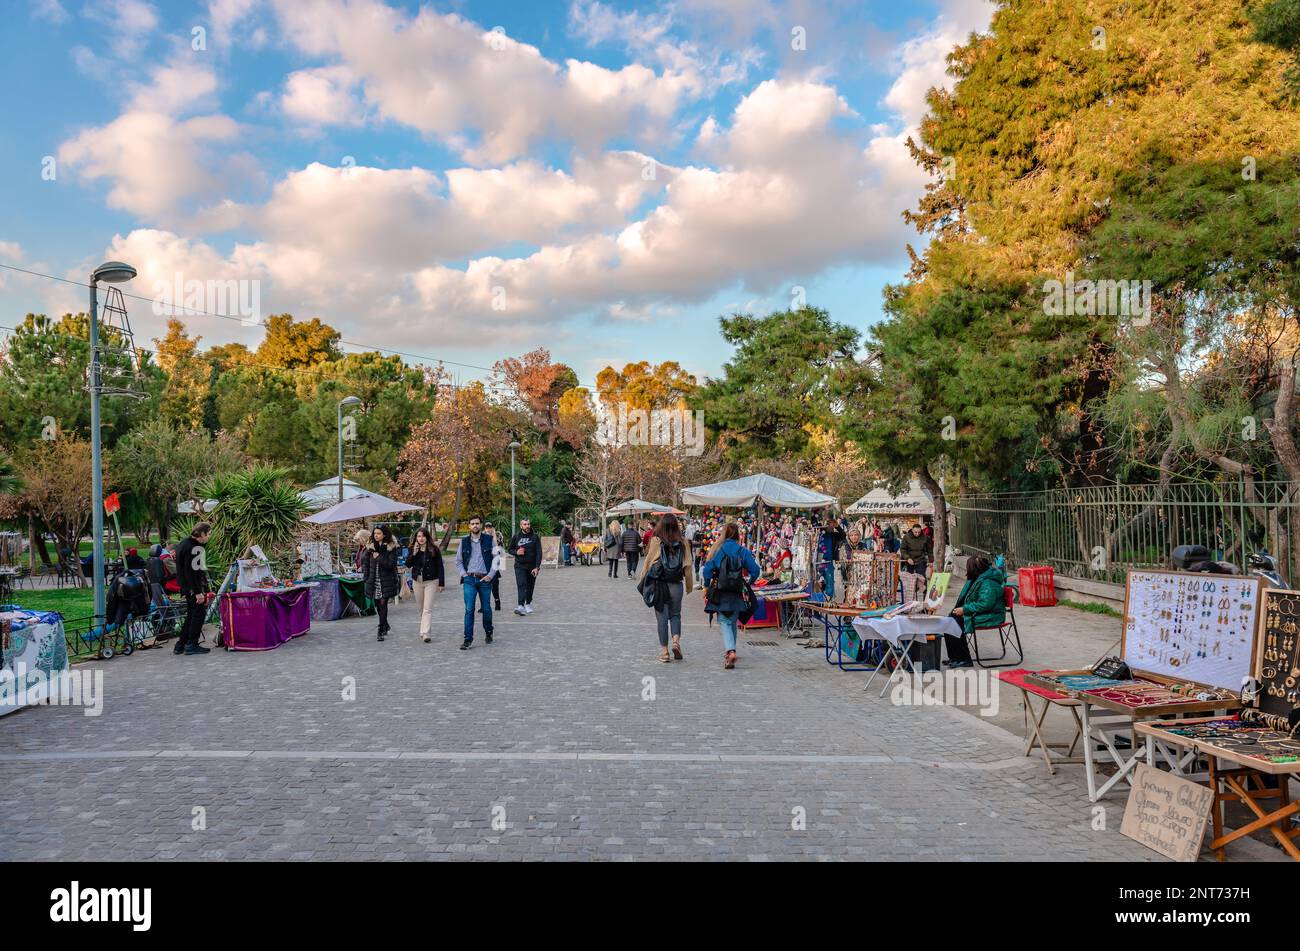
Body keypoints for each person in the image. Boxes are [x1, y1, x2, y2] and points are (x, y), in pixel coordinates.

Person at [700, 523, 761, 670]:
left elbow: (707, 570)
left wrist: (707, 585)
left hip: (721, 590)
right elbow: (755, 570)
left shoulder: (719, 550)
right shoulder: (742, 551)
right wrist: (749, 582)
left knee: (725, 620)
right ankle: (731, 650)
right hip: (737, 590)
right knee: (732, 619)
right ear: (737, 535)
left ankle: (730, 651)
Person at [638, 514, 695, 663]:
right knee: (675, 614)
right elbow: (688, 566)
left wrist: (643, 580)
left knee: (662, 618)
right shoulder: (683, 542)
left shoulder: (656, 541)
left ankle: (664, 652)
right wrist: (689, 586)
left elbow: (648, 562)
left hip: (660, 584)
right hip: (676, 584)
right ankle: (675, 641)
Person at [944, 555, 1006, 668]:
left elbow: (985, 604)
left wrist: (965, 609)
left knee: (956, 622)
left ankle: (964, 659)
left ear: (974, 569)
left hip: (992, 615)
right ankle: (955, 657)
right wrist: (960, 610)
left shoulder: (988, 582)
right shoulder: (978, 579)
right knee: (949, 620)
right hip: (981, 612)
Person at [456, 515, 496, 649]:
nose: (475, 526)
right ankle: (468, 639)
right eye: (472, 523)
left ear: (481, 525)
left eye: (477, 523)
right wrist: (464, 575)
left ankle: (489, 631)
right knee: (469, 609)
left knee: (486, 608)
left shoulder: (489, 540)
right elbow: (458, 561)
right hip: (469, 579)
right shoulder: (464, 542)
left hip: (485, 579)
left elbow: (497, 559)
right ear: (469, 526)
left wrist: (490, 575)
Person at [174, 522, 213, 656]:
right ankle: (192, 644)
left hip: (185, 586)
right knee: (198, 615)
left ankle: (181, 644)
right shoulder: (196, 548)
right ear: (201, 534)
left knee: (191, 615)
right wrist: (198, 592)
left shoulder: (184, 543)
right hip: (193, 588)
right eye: (208, 534)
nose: (209, 537)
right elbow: (193, 572)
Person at [363, 525, 400, 642]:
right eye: (375, 533)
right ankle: (385, 624)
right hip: (373, 580)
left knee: (383, 603)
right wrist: (366, 577)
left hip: (386, 580)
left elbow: (391, 565)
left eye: (378, 533)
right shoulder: (370, 547)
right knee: (378, 604)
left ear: (384, 534)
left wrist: (379, 557)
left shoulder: (391, 547)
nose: (376, 535)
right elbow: (366, 563)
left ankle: (381, 629)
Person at [408, 526, 445, 643]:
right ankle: (423, 630)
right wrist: (414, 553)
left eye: (423, 536)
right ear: (416, 538)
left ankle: (426, 633)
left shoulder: (434, 549)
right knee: (421, 608)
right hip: (417, 581)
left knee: (427, 608)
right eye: (419, 536)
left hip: (431, 581)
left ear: (427, 537)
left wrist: (441, 583)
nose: (421, 538)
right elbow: (408, 564)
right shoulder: (412, 548)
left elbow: (440, 566)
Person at [510, 516, 542, 614]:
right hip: (519, 565)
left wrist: (537, 567)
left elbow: (539, 553)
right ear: (521, 526)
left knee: (530, 586)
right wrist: (516, 552)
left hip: (532, 566)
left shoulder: (535, 537)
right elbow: (510, 549)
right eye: (525, 524)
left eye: (528, 524)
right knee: (521, 584)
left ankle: (528, 603)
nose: (527, 526)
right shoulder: (516, 536)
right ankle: (520, 605)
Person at [900, 522, 932, 602]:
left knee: (922, 578)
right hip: (910, 560)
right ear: (912, 530)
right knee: (910, 579)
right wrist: (907, 558)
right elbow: (903, 549)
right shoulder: (906, 537)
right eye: (915, 532)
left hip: (921, 559)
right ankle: (909, 599)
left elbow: (929, 550)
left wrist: (931, 560)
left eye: (919, 532)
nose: (917, 534)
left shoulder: (925, 538)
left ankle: (925, 598)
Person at [483, 522, 503, 611]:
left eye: (490, 527)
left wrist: (494, 536)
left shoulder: (498, 536)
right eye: (486, 527)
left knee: (494, 585)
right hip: (484, 565)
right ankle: (483, 605)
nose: (488, 529)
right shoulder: (482, 537)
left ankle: (497, 601)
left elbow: (499, 550)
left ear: (492, 528)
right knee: (483, 586)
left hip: (494, 564)